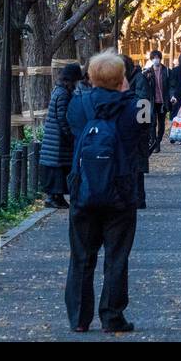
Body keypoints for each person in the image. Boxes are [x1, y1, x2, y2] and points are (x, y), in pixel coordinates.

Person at [64, 51, 143, 333]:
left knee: (82, 256)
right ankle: (112, 316)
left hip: (83, 187)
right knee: (117, 256)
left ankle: (79, 318)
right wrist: (129, 94)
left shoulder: (78, 104)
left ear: (91, 76)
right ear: (122, 77)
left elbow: (70, 131)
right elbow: (144, 133)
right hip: (121, 190)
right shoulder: (135, 106)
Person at [41, 62, 84, 208]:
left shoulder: (58, 91)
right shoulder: (64, 94)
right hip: (57, 141)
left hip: (53, 139)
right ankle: (54, 197)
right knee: (58, 169)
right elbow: (63, 118)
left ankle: (55, 197)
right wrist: (70, 135)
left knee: (57, 169)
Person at [124, 55, 152, 210]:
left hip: (138, 129)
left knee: (137, 166)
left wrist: (143, 128)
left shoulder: (138, 79)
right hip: (131, 127)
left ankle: (139, 198)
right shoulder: (130, 79)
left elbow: (144, 103)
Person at [144, 50, 168, 153]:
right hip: (152, 101)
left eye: (158, 57)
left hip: (163, 101)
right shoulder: (147, 72)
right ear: (151, 59)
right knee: (152, 123)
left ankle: (158, 141)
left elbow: (170, 85)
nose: (156, 59)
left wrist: (171, 97)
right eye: (154, 57)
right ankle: (154, 143)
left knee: (161, 124)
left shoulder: (166, 71)